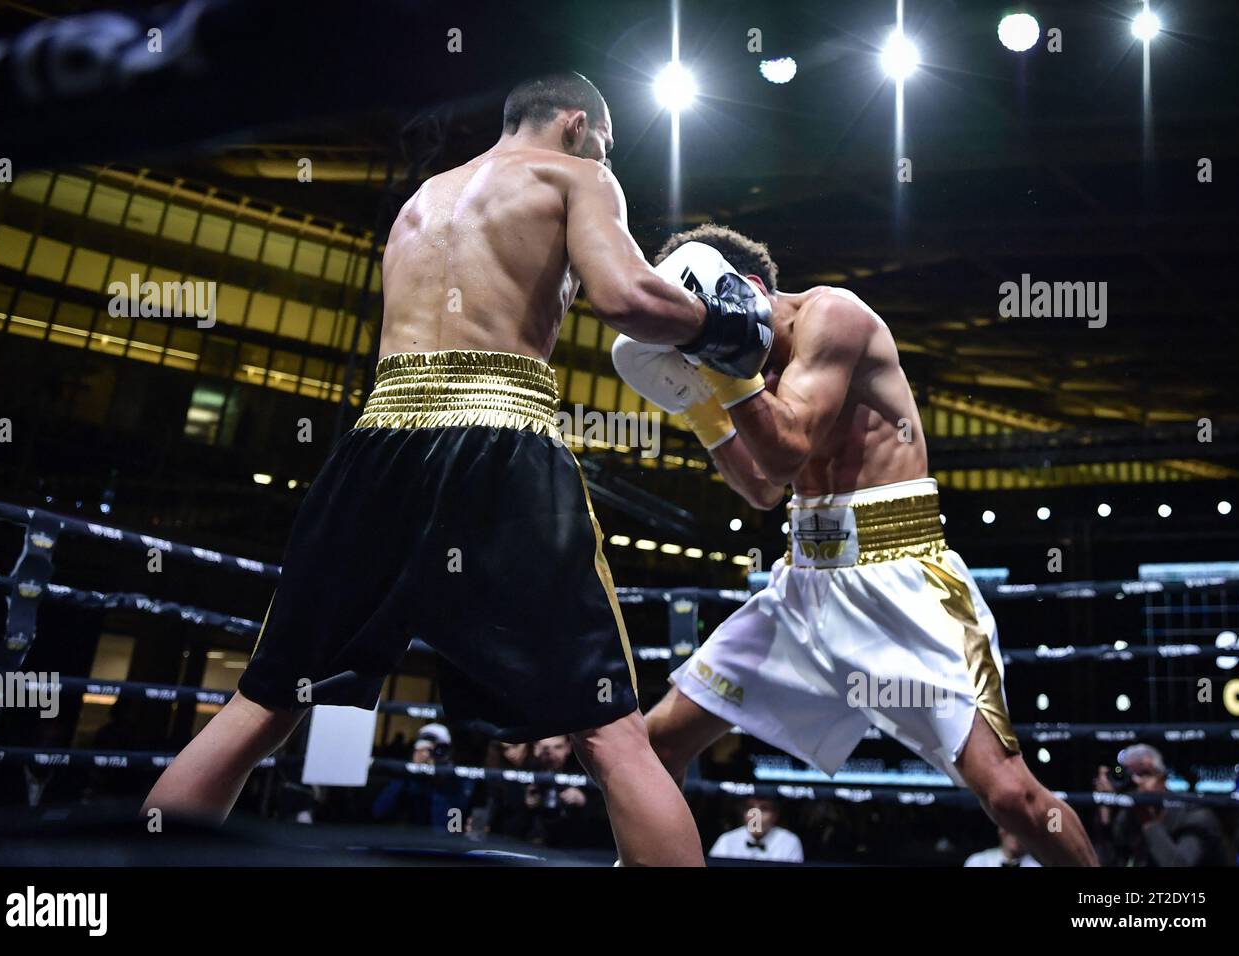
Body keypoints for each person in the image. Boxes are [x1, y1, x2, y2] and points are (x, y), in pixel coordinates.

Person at [145, 74, 773, 866]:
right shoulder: (578, 174)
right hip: (498, 440)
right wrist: (726, 327)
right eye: (605, 146)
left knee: (263, 703)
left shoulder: (421, 201)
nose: (607, 161)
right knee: (609, 732)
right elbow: (628, 297)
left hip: (377, 446)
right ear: (577, 126)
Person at [614, 223, 1098, 866]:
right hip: (803, 586)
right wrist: (703, 402)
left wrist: (725, 365)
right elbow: (762, 490)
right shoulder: (742, 368)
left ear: (746, 293)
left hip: (900, 581)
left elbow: (785, 452)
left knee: (1011, 798)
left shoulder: (833, 317)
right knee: (657, 745)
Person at [1092, 743, 1228, 867]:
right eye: (1130, 775)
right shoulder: (1127, 817)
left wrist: (1148, 823)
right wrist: (1105, 816)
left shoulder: (1196, 815)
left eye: (1144, 773)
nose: (1136, 782)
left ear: (1163, 779)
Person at [709, 796, 804, 863]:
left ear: (775, 815)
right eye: (750, 808)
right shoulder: (726, 840)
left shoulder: (790, 841)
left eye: (764, 809)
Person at [964, 826, 1041, 867]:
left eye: (1022, 831)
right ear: (1001, 830)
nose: (1017, 835)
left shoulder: (1039, 864)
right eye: (1011, 828)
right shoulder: (978, 861)